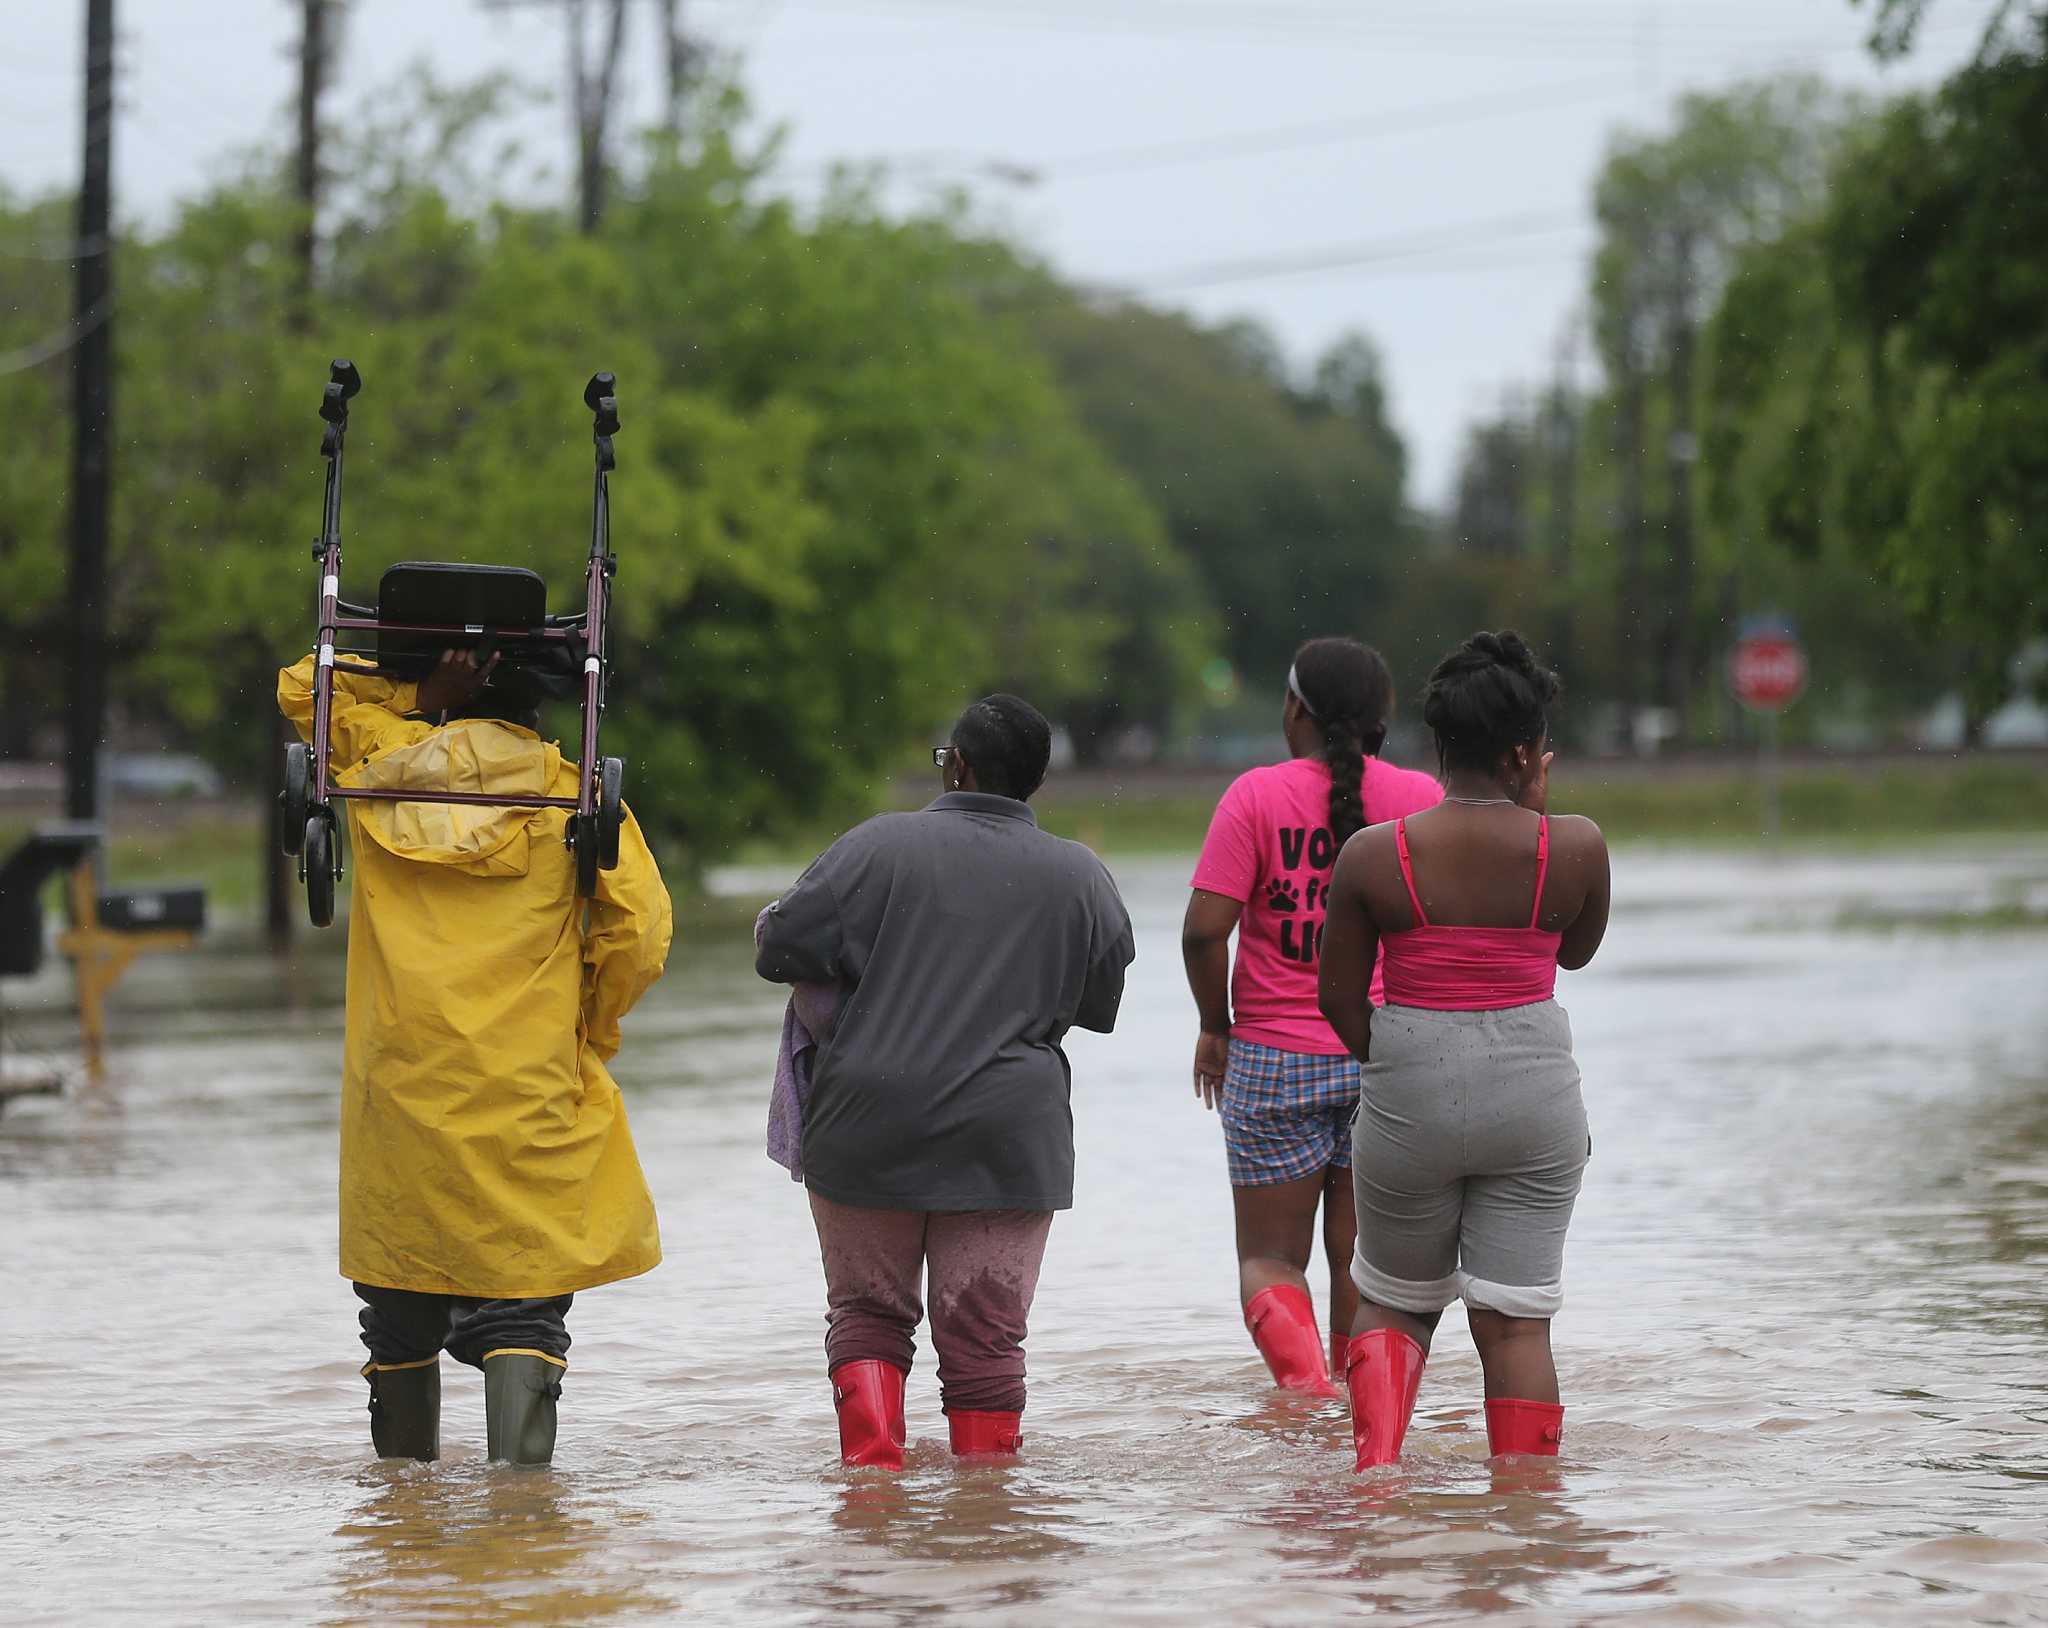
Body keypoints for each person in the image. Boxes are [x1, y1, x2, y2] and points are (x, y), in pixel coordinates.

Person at [279, 646, 671, 1467]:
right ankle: (522, 1521)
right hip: (527, 1093)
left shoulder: (379, 767)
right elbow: (639, 934)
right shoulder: (573, 796)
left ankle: (402, 1520)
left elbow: (305, 682)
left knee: (397, 1315)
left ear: (454, 704)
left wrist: (417, 687)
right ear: (543, 712)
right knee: (524, 1313)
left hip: (401, 1104)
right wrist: (587, 1027)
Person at [756, 694, 1135, 1469]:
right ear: (1034, 783)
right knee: (987, 1337)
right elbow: (1098, 1007)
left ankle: (870, 1501)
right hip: (1009, 1136)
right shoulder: (1081, 876)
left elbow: (778, 949)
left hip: (866, 1121)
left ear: (956, 765)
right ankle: (984, 1520)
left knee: (866, 1315)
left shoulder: (872, 848)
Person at [1317, 630, 1610, 1468]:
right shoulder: (1578, 845)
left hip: (1408, 1080)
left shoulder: (1373, 853)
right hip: (1536, 1089)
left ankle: (1375, 1487)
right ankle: (1523, 1511)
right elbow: (1575, 953)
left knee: (1394, 1304)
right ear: (1526, 754)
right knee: (1516, 1319)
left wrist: (1400, 1056)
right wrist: (1538, 811)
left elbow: (1337, 995)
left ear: (1438, 745)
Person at [1182, 637, 1442, 1398]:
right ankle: (1360, 1418)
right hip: (1387, 1055)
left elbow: (1204, 929)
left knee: (1270, 1263)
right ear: (1380, 719)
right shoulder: (1421, 799)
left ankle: (1308, 1401)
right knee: (1363, 1261)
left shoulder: (1254, 797)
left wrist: (1214, 1025)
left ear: (1295, 708)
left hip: (1271, 1058)